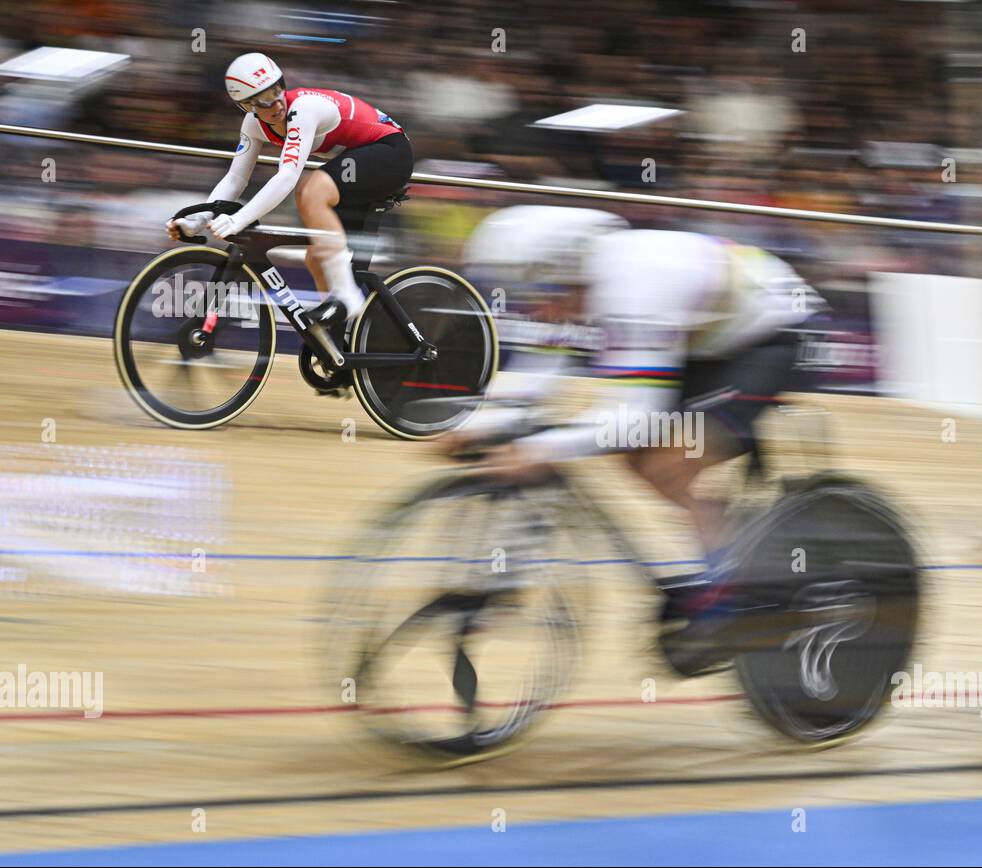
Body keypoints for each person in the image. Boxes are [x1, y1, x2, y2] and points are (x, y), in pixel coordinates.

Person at [454, 205, 825, 671]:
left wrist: (536, 449)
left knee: (669, 459)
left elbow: (632, 417)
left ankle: (731, 593)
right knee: (635, 457)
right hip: (705, 337)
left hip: (772, 333)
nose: (533, 307)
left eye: (536, 292)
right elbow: (535, 377)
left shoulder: (633, 285)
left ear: (564, 272)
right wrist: (470, 425)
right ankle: (729, 546)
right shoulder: (572, 284)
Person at [165, 52, 413, 330]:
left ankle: (347, 298)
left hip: (390, 150)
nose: (274, 103)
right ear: (245, 107)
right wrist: (198, 220)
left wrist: (239, 219)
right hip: (353, 162)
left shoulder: (303, 109)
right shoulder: (253, 125)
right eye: (260, 100)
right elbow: (235, 178)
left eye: (276, 90)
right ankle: (338, 343)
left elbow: (287, 176)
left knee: (311, 191)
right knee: (316, 256)